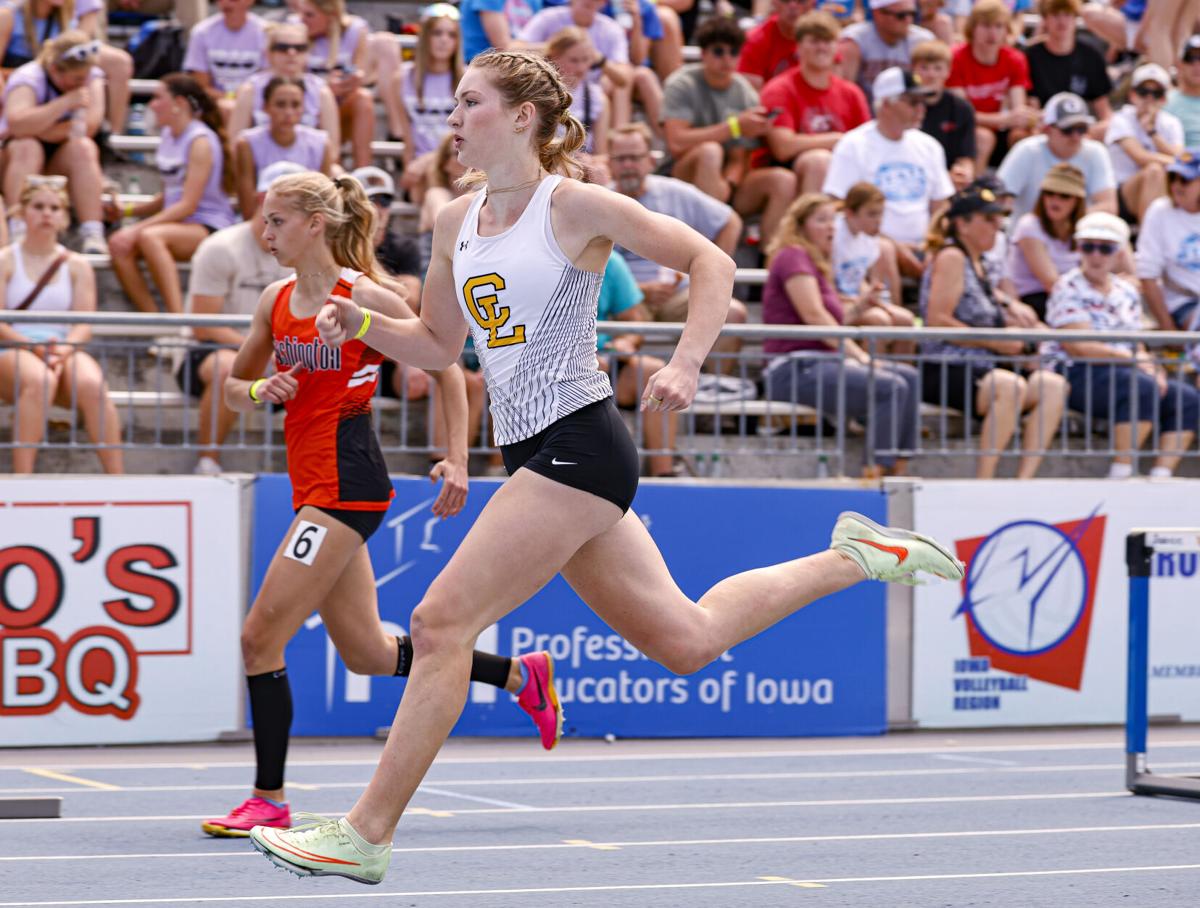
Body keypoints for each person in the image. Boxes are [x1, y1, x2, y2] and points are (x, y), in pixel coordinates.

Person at [247, 49, 963, 884]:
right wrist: (360, 327)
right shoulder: (452, 220)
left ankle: (367, 831)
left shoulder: (574, 205)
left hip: (580, 442)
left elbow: (713, 263)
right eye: (450, 104)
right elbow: (439, 345)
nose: (451, 118)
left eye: (468, 102)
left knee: (441, 626)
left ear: (521, 117)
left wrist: (687, 362)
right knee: (686, 641)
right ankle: (855, 556)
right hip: (532, 451)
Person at [204, 169, 564, 839]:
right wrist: (261, 392)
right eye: (263, 220)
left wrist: (456, 457)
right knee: (367, 652)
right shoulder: (275, 300)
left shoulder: (364, 296)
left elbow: (446, 365)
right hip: (311, 486)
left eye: (277, 220)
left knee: (259, 639)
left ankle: (268, 798)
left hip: (349, 485)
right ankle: (520, 677)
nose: (265, 233)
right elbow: (233, 385)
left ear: (316, 223)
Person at [763, 193, 920, 476]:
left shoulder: (816, 262)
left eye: (832, 220)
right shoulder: (793, 255)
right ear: (800, 226)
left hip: (822, 364)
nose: (831, 227)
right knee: (890, 386)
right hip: (794, 367)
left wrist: (861, 306)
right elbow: (814, 317)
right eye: (821, 220)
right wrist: (859, 356)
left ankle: (899, 468)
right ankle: (874, 474)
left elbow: (830, 321)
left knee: (909, 376)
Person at [920, 186, 1067, 479]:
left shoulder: (982, 263)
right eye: (987, 219)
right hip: (948, 365)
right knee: (1009, 386)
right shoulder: (952, 257)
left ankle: (1023, 481)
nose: (996, 226)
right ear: (962, 224)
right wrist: (998, 343)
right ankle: (984, 480)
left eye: (997, 219)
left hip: (983, 365)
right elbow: (937, 320)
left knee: (1052, 385)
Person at [1044, 212, 1199, 478]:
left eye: (1105, 248)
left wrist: (1150, 366)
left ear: (1118, 254)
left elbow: (1135, 343)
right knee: (1140, 386)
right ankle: (1121, 472)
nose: (1096, 255)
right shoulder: (1067, 286)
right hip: (1078, 372)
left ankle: (1160, 477)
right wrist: (1134, 361)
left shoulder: (1126, 291)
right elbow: (1080, 347)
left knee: (1185, 398)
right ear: (1078, 249)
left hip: (1122, 371)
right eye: (1088, 246)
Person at [183, 161, 303, 477]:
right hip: (213, 348)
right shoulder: (221, 248)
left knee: (334, 370)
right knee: (226, 366)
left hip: (281, 351)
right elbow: (202, 325)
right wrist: (261, 348)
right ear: (261, 199)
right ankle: (207, 462)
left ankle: (328, 468)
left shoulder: (306, 251)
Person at [0, 174, 120, 475]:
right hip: (13, 346)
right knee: (40, 381)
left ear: (65, 217)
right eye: (38, 206)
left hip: (60, 347)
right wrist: (33, 347)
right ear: (22, 212)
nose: (46, 213)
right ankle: (22, 480)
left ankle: (119, 479)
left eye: (54, 208)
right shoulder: (5, 260)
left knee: (92, 384)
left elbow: (83, 323)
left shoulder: (77, 265)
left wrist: (61, 351)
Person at [608, 123, 748, 369]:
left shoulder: (677, 192)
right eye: (621, 159)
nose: (628, 165)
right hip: (626, 301)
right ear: (609, 163)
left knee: (733, 313)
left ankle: (712, 391)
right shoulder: (599, 201)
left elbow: (730, 221)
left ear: (651, 160)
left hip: (679, 293)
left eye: (635, 157)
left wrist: (709, 275)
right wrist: (639, 289)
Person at [107, 75, 237, 316]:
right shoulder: (169, 136)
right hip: (177, 225)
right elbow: (169, 196)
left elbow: (188, 205)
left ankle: (178, 322)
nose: (151, 105)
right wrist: (126, 210)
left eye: (158, 98)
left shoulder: (200, 141)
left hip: (208, 225)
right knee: (118, 246)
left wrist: (135, 229)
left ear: (179, 102)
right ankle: (155, 321)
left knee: (149, 237)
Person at [662, 17, 796, 242]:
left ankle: (772, 260)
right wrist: (734, 127)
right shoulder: (682, 83)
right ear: (703, 53)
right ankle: (700, 246)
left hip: (727, 182)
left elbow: (740, 156)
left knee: (783, 180)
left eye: (734, 52)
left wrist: (728, 183)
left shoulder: (744, 92)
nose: (727, 59)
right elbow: (677, 143)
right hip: (682, 176)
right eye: (718, 51)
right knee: (709, 152)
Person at [823, 67, 954, 280]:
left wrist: (933, 244)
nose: (921, 109)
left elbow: (941, 207)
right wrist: (895, 246)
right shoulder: (853, 145)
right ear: (885, 104)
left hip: (924, 245)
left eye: (923, 102)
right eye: (913, 102)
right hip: (870, 243)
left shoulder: (930, 146)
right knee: (884, 251)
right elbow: (839, 207)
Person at [0, 31, 107, 255]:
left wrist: (40, 127)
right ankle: (18, 226)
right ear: (55, 70)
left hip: (60, 158)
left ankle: (92, 231)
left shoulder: (92, 76)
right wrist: (64, 104)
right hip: (16, 159)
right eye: (77, 79)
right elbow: (17, 125)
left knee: (84, 148)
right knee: (27, 147)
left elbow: (88, 127)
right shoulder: (28, 77)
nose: (83, 83)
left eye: (85, 77)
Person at [759, 10, 870, 195]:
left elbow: (867, 144)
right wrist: (837, 140)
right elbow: (783, 148)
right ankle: (813, 221)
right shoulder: (779, 89)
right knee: (819, 161)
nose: (822, 47)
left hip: (844, 169)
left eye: (827, 41)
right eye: (814, 41)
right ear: (798, 46)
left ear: (837, 47)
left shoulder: (851, 92)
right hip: (790, 171)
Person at [595, 250, 681, 477]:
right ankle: (502, 470)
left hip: (603, 364)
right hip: (541, 365)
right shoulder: (531, 257)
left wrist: (625, 343)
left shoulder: (609, 260)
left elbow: (634, 323)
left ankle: (664, 473)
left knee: (655, 373)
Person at [996, 91, 1117, 223]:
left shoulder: (1096, 151)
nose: (1076, 137)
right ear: (1047, 129)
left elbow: (1109, 207)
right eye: (1068, 129)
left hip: (1076, 238)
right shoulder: (1027, 150)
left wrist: (1063, 224)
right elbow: (1000, 198)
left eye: (1081, 129)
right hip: (1027, 237)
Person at [946, 0, 1036, 171]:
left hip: (1000, 127)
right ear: (972, 28)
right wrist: (1005, 119)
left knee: (1025, 135)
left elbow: (1019, 108)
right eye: (986, 26)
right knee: (983, 137)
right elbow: (961, 113)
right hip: (962, 129)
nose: (992, 33)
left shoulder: (1015, 59)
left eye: (999, 26)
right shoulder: (956, 58)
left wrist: (1027, 118)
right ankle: (974, 193)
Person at [231, 22, 341, 155]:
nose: (291, 53)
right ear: (268, 53)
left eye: (300, 48)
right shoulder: (250, 89)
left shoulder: (321, 91)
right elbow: (234, 144)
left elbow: (332, 149)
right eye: (282, 47)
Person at [392, 3, 463, 206]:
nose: (444, 40)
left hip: (457, 160)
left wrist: (430, 159)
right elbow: (408, 136)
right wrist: (412, 165)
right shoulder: (403, 78)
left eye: (451, 35)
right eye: (437, 33)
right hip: (421, 168)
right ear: (425, 37)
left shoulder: (468, 77)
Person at [234, 77, 333, 217]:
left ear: (303, 108)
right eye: (280, 104)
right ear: (265, 107)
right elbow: (248, 209)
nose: (288, 112)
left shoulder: (321, 143)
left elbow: (325, 204)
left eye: (296, 105)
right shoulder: (246, 143)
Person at [833, 181, 913, 348]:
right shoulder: (832, 235)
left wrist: (871, 296)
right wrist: (859, 301)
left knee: (906, 319)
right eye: (871, 214)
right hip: (837, 300)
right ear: (850, 213)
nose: (878, 221)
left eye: (881, 214)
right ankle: (872, 372)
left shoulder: (868, 239)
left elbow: (857, 278)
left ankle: (901, 373)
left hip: (855, 299)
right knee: (879, 320)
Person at [296, 0, 375, 169]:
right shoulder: (296, 30)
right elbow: (292, 81)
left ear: (331, 15)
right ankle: (332, 170)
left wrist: (352, 79)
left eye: (310, 15)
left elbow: (359, 70)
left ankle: (363, 173)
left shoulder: (355, 29)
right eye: (302, 13)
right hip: (305, 105)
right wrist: (324, 87)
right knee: (324, 100)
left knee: (363, 98)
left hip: (340, 103)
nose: (302, 20)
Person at [1105, 63, 1183, 224]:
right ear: (1132, 95)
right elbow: (1140, 157)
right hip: (1122, 194)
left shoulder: (1171, 123)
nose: (1149, 98)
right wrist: (1178, 162)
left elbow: (1178, 154)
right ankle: (1147, 239)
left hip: (1163, 191)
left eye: (1156, 93)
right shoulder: (1121, 119)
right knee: (1154, 170)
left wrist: (1153, 134)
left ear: (1164, 99)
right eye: (1143, 92)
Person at [1022, 0, 1112, 139]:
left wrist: (1089, 132)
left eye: (1067, 14)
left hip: (1082, 131)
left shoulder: (1091, 55)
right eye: (1055, 15)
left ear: (1076, 18)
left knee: (1111, 128)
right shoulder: (1031, 56)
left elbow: (1104, 111)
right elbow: (1029, 107)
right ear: (1045, 19)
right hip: (1045, 129)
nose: (1062, 21)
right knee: (1019, 134)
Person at [1006, 162, 1084, 320]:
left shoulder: (1084, 228)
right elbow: (1052, 284)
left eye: (1064, 196)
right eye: (1049, 193)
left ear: (1077, 201)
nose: (1055, 200)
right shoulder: (1029, 225)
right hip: (1035, 301)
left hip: (1073, 298)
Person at [1137, 149, 1200, 333]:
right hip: (1184, 302)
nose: (1176, 185)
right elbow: (1147, 275)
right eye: (1173, 177)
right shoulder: (1160, 211)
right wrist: (1168, 329)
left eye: (1185, 180)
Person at [182, 0, 269, 117]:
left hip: (256, 106)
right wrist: (228, 99)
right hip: (214, 106)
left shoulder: (266, 32)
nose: (226, 3)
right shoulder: (201, 32)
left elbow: (267, 79)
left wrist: (241, 102)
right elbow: (200, 83)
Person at [837, 0, 934, 105]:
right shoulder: (854, 41)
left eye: (912, 14)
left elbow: (932, 93)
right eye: (901, 15)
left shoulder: (923, 41)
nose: (908, 20)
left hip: (909, 115)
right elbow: (843, 94)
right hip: (865, 115)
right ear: (878, 13)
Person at [913, 40, 977, 192]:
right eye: (924, 68)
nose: (931, 74)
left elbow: (965, 156)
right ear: (913, 70)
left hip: (949, 178)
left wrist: (963, 172)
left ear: (948, 71)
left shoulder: (962, 108)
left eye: (937, 68)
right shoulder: (904, 106)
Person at [736, 0, 813, 92]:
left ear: (811, 4)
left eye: (801, 1)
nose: (793, 6)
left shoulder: (822, 39)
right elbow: (752, 94)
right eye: (785, 0)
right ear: (774, 2)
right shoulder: (755, 39)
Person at [1167, 35, 1200, 149]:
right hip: (1183, 163)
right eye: (1190, 58)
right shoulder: (1165, 101)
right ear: (1180, 64)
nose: (1197, 65)